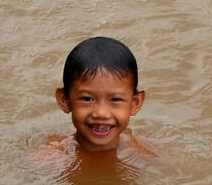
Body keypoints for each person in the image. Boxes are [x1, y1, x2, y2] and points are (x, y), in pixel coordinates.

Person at [31, 36, 159, 168]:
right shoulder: (49, 160)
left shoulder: (147, 155)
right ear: (65, 100)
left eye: (115, 99)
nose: (101, 113)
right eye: (87, 99)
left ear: (135, 103)